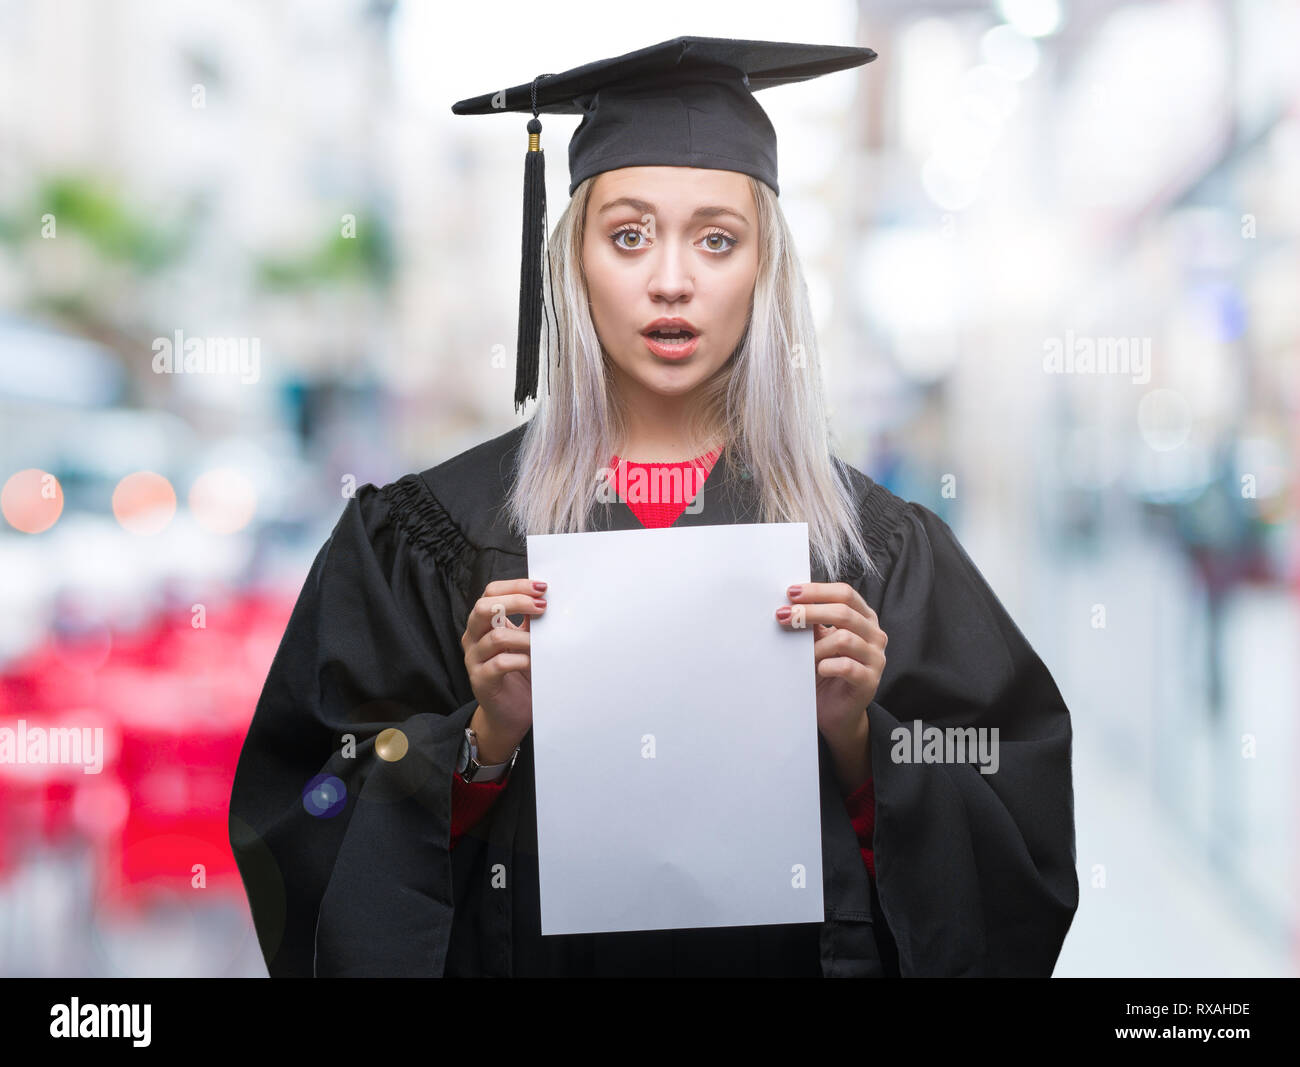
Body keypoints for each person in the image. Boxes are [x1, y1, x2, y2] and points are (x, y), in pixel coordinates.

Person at [228, 36, 1079, 978]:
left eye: (717, 238)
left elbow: (1019, 870)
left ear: (766, 269)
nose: (671, 278)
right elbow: (300, 825)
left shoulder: (874, 554)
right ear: (572, 261)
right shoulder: (424, 541)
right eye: (628, 233)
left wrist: (858, 740)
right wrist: (478, 744)